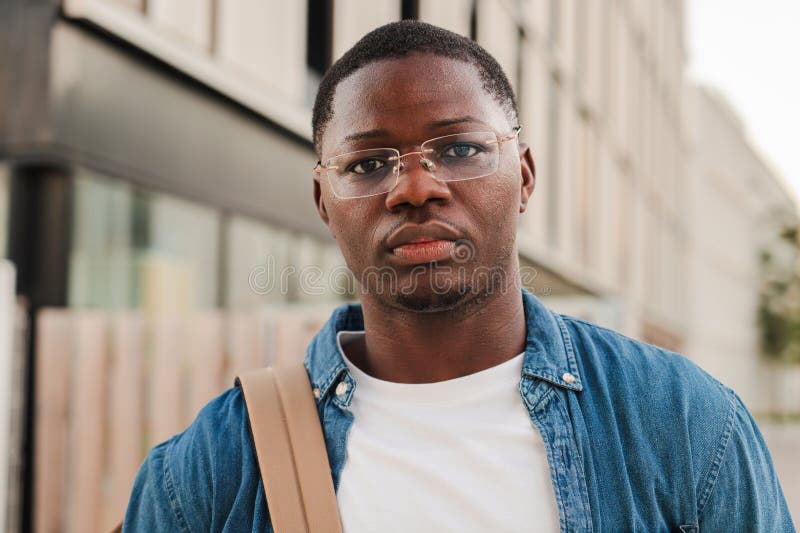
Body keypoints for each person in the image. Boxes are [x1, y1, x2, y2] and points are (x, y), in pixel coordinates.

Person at [123, 20, 794, 532]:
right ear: (324, 203)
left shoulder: (683, 424)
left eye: (461, 148)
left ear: (523, 176)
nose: (415, 187)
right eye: (367, 163)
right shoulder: (210, 472)